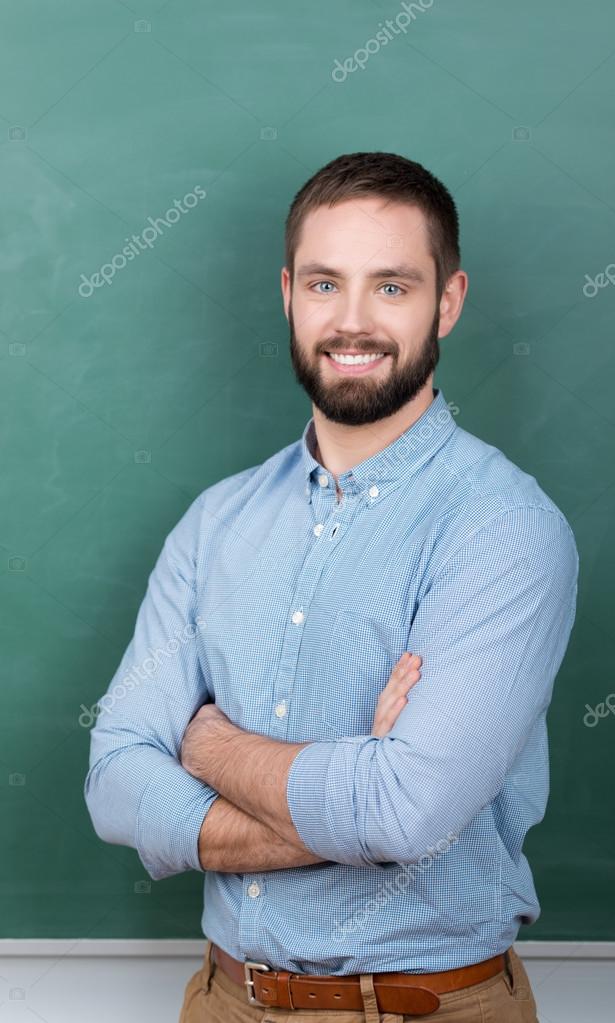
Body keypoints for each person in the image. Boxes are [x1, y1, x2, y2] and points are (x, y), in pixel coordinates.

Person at [84, 151, 579, 1023]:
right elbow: (116, 779)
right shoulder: (216, 522)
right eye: (324, 284)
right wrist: (352, 796)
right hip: (220, 997)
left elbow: (403, 814)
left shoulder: (503, 529)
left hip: (423, 1007)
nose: (352, 322)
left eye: (391, 286)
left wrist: (207, 748)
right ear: (287, 294)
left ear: (448, 302)